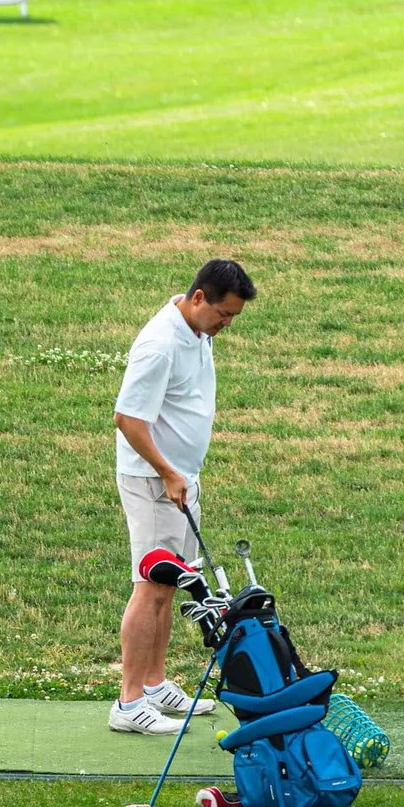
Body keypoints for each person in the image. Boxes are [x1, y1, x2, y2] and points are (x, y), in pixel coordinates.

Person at [109, 258, 254, 734]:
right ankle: (128, 704)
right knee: (150, 588)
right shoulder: (159, 345)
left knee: (173, 586)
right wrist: (169, 473)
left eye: (233, 317)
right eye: (224, 315)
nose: (227, 325)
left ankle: (154, 685)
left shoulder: (198, 330)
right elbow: (128, 419)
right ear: (198, 299)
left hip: (180, 480)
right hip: (155, 484)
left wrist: (183, 475)